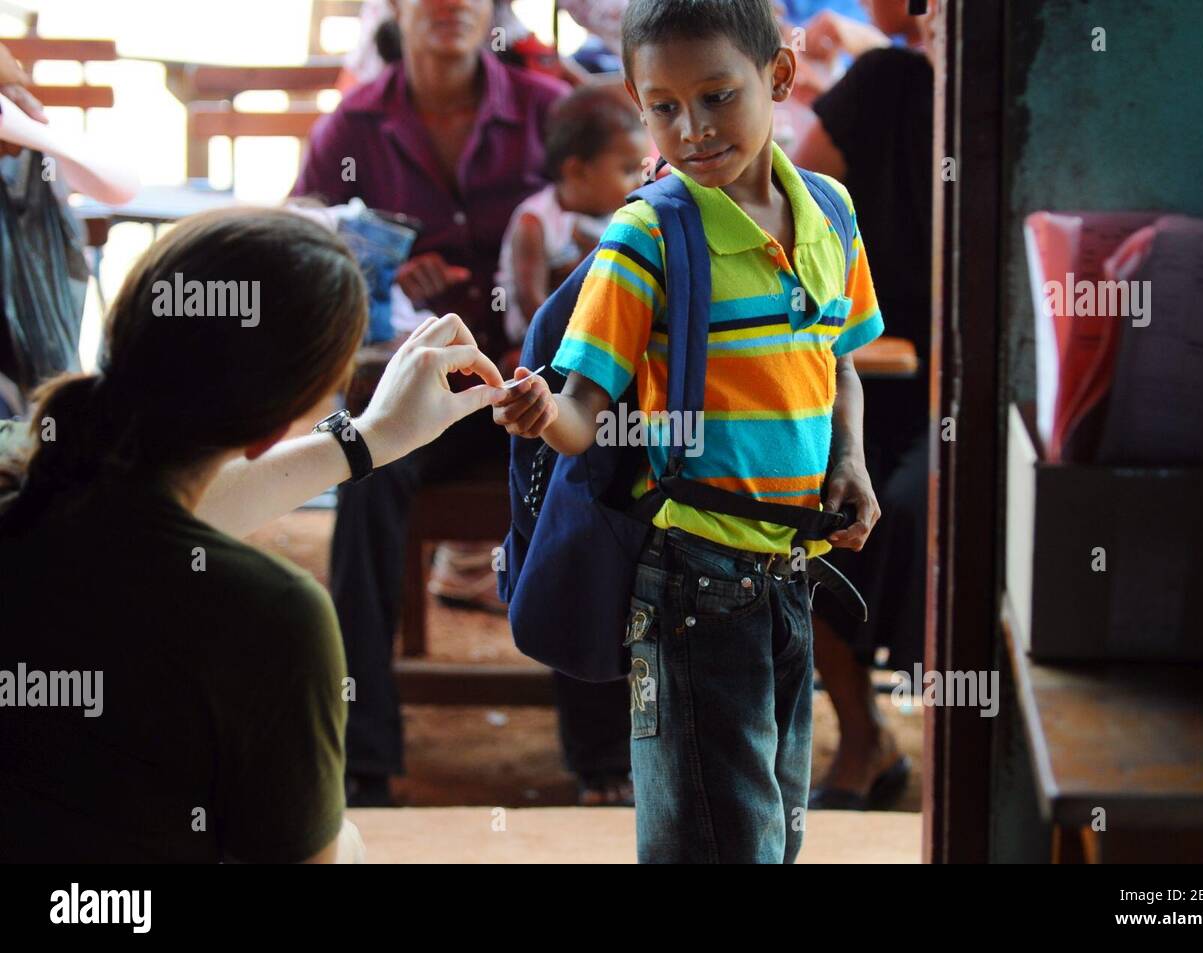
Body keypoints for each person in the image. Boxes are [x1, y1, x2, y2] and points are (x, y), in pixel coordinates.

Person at [491, 0, 885, 863]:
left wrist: (849, 460)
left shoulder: (831, 212)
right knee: (713, 842)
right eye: (663, 106)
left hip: (790, 577)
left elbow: (841, 362)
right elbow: (583, 417)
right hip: (689, 589)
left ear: (779, 77)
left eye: (717, 96)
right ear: (636, 101)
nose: (693, 129)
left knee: (770, 832)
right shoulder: (648, 236)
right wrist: (538, 410)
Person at [0, 208, 506, 862]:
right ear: (275, 427)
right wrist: (348, 843)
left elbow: (144, 511)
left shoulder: (30, 482)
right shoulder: (270, 613)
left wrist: (371, 438)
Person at [292, 0, 570, 807]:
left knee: (599, 472)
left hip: (541, 383)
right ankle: (363, 760)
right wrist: (376, 272)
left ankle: (603, 755)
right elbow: (303, 247)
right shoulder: (350, 128)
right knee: (365, 474)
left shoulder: (547, 109)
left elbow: (629, 217)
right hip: (422, 398)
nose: (450, 5)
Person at [794, 0, 934, 810]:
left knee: (917, 513)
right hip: (873, 374)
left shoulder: (1005, 94)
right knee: (803, 504)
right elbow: (796, 201)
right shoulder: (883, 82)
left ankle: (936, 742)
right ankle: (862, 733)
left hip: (974, 388)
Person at [496, 85, 647, 348]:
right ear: (577, 171)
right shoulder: (535, 222)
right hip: (546, 345)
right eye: (628, 170)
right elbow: (532, 305)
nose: (640, 181)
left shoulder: (625, 216)